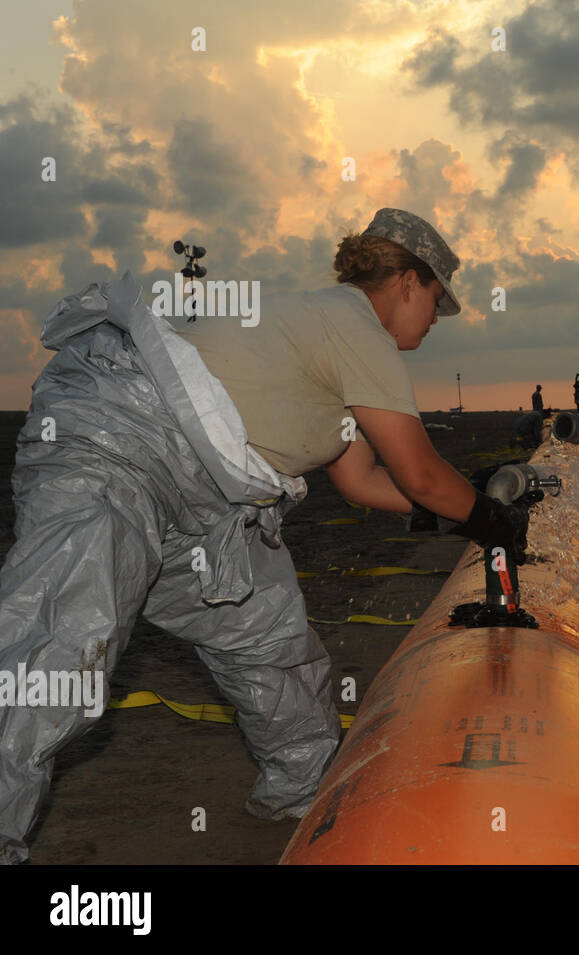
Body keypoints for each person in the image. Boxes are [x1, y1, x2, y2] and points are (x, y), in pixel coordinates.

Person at [0, 208, 529, 864]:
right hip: (116, 443)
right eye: (435, 303)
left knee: (268, 637)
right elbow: (420, 472)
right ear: (408, 282)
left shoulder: (332, 343)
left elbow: (364, 480)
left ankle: (302, 795)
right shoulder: (352, 323)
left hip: (205, 503)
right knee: (60, 647)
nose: (433, 321)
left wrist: (463, 507)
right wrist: (489, 518)